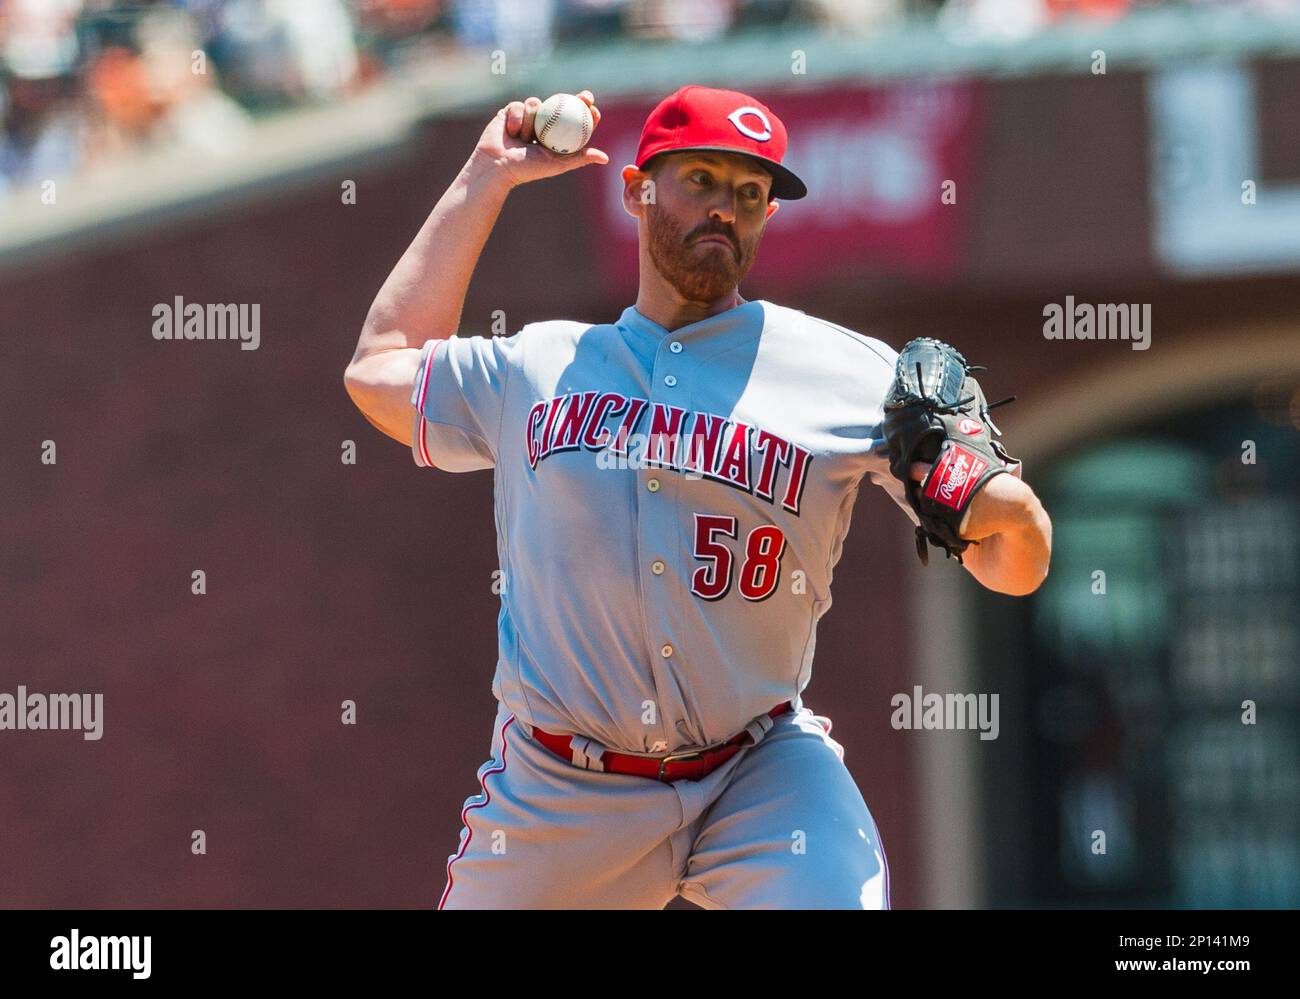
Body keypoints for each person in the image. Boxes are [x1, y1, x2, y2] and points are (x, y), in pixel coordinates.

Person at [344, 84, 1052, 909]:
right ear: (637, 188)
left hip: (758, 774)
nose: (727, 208)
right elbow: (379, 369)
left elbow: (1012, 567)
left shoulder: (847, 372)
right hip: (560, 788)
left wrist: (1016, 512)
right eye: (703, 180)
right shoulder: (539, 367)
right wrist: (486, 178)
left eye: (751, 193)